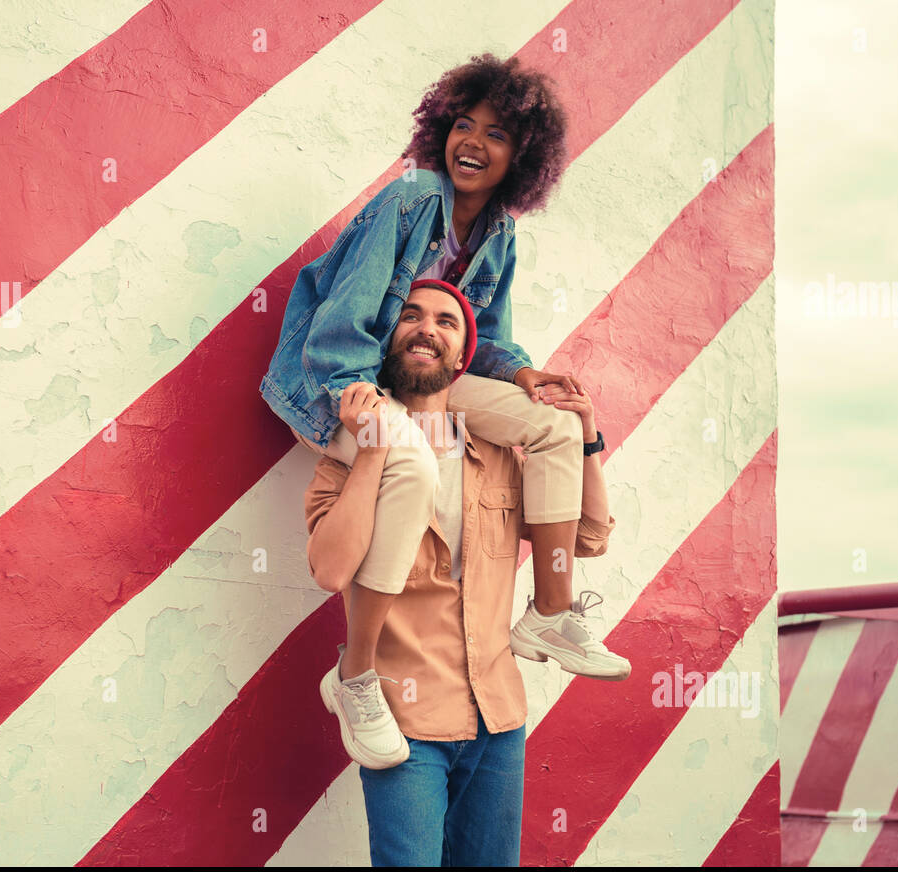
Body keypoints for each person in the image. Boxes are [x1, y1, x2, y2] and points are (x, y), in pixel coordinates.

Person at [262, 53, 628, 769]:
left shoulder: (499, 233)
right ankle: (356, 676)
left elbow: (482, 337)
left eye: (497, 134)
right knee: (405, 453)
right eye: (465, 125)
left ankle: (551, 613)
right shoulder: (413, 197)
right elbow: (344, 319)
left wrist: (526, 373)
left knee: (552, 423)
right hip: (342, 375)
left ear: (521, 158)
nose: (475, 142)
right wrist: (353, 400)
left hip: (431, 375)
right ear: (442, 131)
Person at [304, 281, 624, 865]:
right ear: (388, 341)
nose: (428, 327)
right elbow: (330, 568)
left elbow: (586, 538)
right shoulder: (350, 452)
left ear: (461, 357)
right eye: (410, 315)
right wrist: (374, 454)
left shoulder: (496, 450)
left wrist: (587, 440)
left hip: (498, 717)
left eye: (448, 322)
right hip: (402, 720)